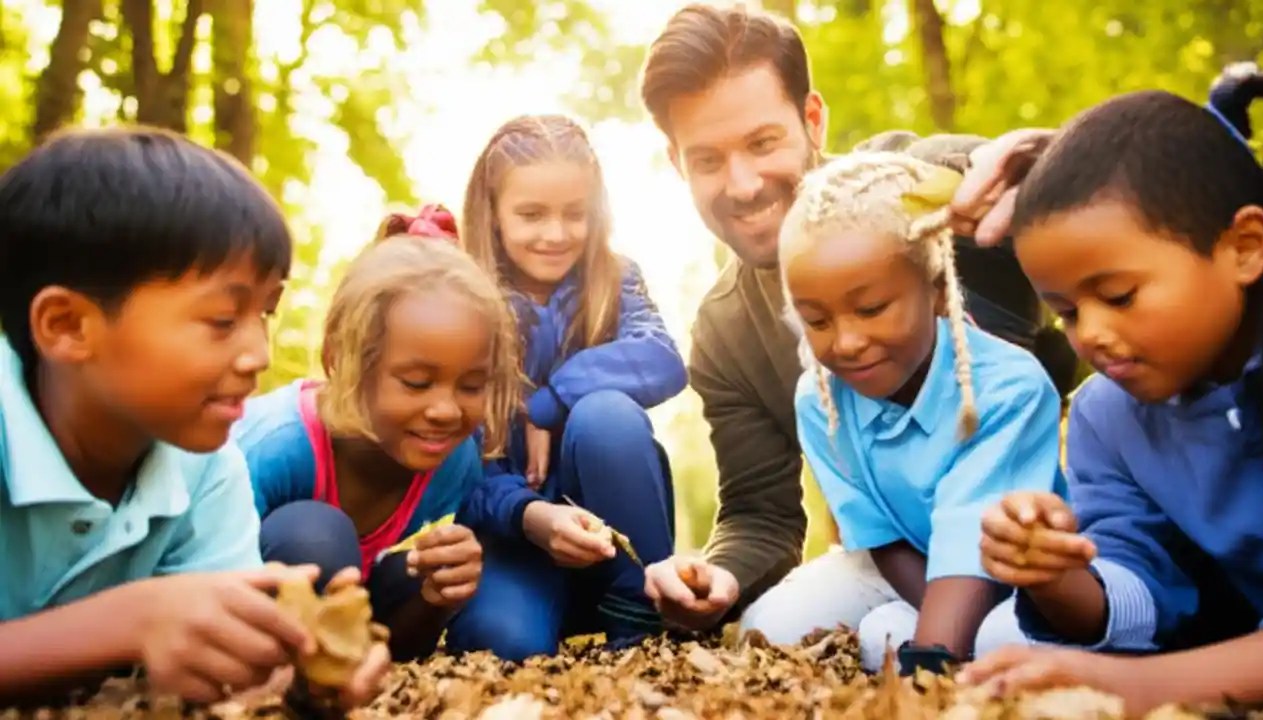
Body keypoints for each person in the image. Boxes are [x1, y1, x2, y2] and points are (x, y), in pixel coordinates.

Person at [637, 1, 1072, 635]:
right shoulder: (725, 333)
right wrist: (719, 576)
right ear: (677, 162)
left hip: (1024, 526)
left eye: (763, 143)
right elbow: (760, 510)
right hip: (894, 552)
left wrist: (1036, 162)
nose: (743, 183)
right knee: (770, 630)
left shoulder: (922, 189)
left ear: (812, 119)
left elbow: (1107, 184)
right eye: (707, 159)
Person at [0, 127, 386, 705]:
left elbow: (210, 654)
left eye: (267, 314)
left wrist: (302, 669)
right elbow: (143, 624)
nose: (259, 354)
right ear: (67, 325)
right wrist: (124, 622)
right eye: (223, 320)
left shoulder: (205, 467)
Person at [963, 68, 1263, 714]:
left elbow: (1142, 674)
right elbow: (1140, 592)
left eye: (1119, 296)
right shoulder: (1107, 417)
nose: (1092, 336)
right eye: (1068, 313)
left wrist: (1139, 688)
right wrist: (1057, 576)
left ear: (1245, 248)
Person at [745, 150, 1065, 671]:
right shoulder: (819, 400)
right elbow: (881, 538)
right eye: (817, 320)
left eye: (871, 309)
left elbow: (972, 540)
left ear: (938, 291)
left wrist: (933, 657)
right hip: (909, 566)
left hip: (1018, 580)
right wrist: (929, 625)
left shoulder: (1010, 389)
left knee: (1000, 642)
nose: (845, 343)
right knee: (770, 628)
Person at [447, 114, 688, 661]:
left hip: (614, 544)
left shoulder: (616, 280)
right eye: (531, 215)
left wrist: (550, 402)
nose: (556, 234)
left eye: (574, 214)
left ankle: (642, 614)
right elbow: (462, 470)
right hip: (514, 538)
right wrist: (530, 517)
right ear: (494, 215)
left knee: (606, 414)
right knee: (503, 645)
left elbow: (663, 360)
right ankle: (532, 613)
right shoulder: (461, 301)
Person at [233, 206, 521, 660]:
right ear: (345, 361)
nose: (446, 410)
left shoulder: (453, 459)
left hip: (353, 614)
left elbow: (400, 647)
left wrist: (437, 597)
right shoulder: (273, 446)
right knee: (316, 536)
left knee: (416, 568)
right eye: (416, 383)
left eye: (471, 385)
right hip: (241, 608)